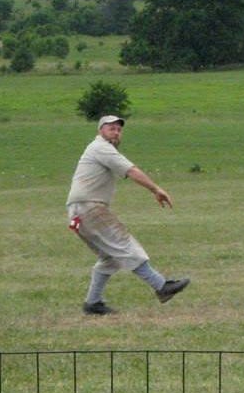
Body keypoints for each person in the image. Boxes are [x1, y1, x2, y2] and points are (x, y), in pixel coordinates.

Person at [66, 115, 189, 315]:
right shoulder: (101, 147)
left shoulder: (98, 148)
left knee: (109, 258)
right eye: (111, 128)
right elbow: (131, 171)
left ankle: (93, 303)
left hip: (78, 212)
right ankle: (162, 286)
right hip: (89, 207)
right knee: (124, 244)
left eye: (119, 129)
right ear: (100, 131)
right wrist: (156, 189)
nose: (116, 132)